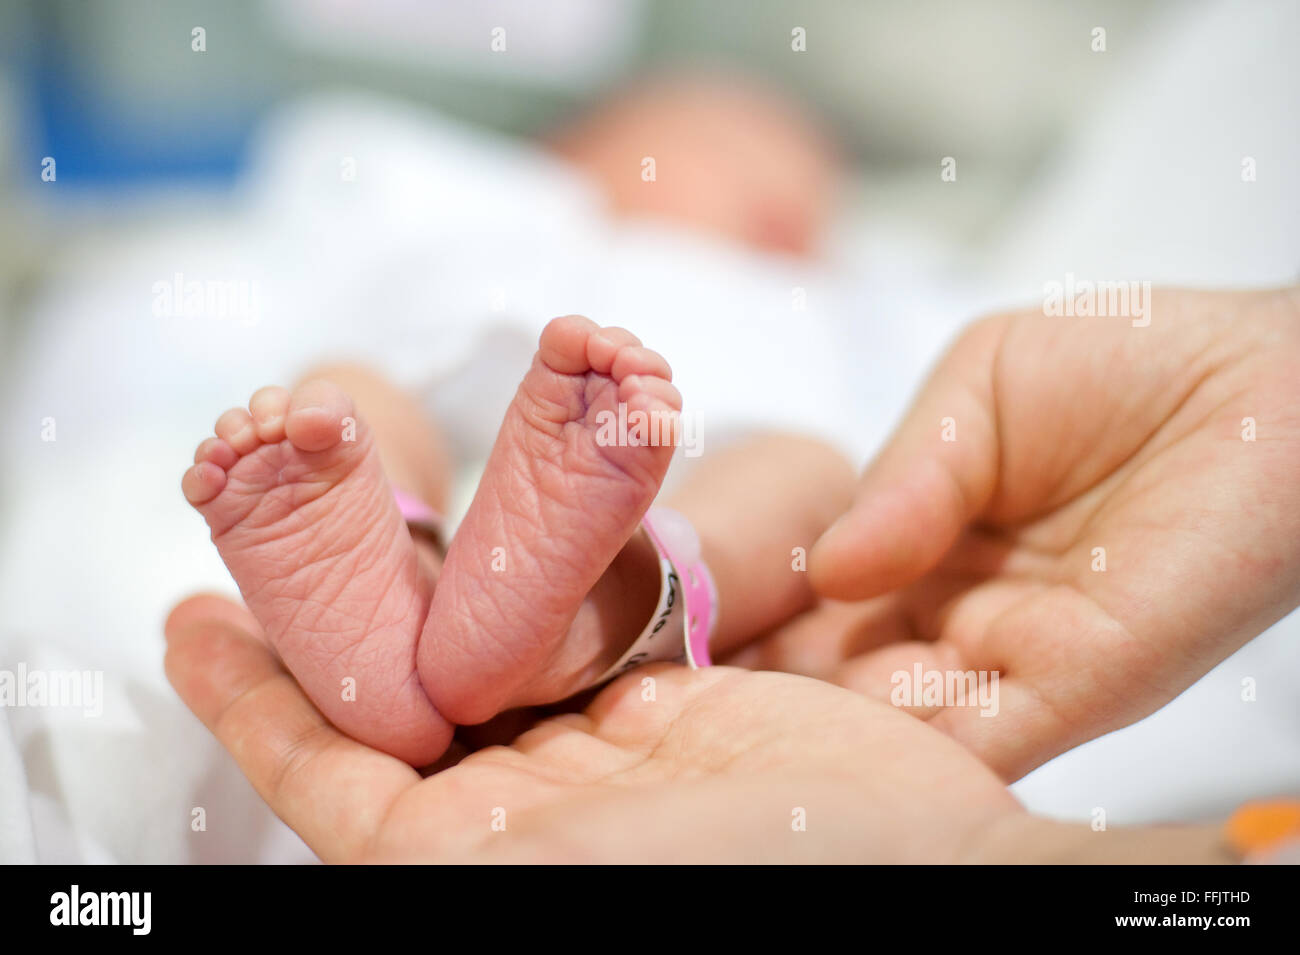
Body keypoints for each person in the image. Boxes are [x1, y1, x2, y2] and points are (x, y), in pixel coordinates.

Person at [166, 286, 1300, 861]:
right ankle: (559, 604)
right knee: (806, 477)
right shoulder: (494, 229)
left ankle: (448, 594)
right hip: (591, 492)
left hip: (530, 477)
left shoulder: (804, 281)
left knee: (350, 395)